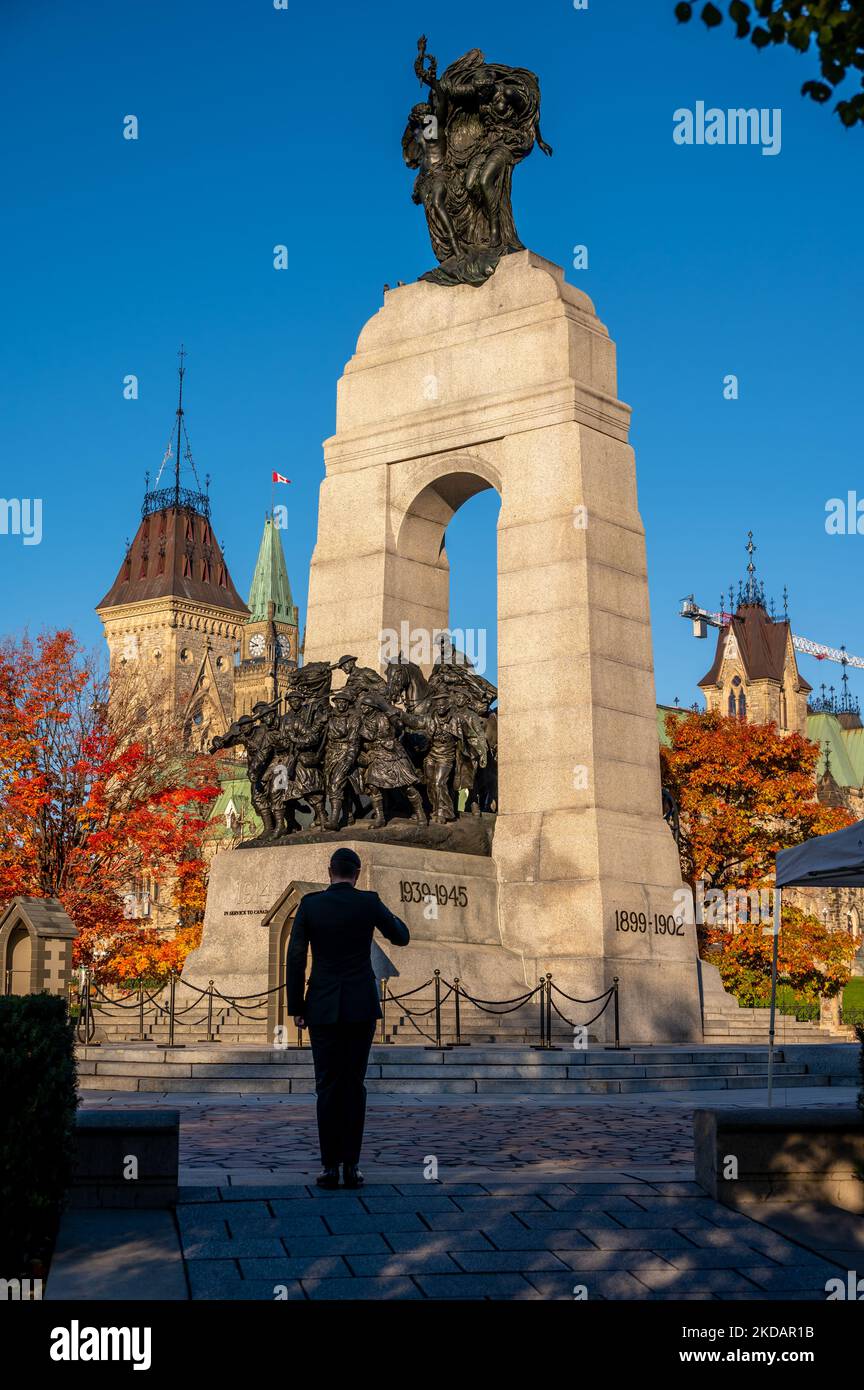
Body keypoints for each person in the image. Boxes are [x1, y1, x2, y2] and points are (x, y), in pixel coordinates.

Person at [286, 847, 410, 1189]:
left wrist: (296, 1007)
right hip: (359, 1005)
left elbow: (295, 957)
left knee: (326, 1083)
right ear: (357, 873)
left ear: (330, 871)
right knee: (354, 1084)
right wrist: (384, 913)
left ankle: (329, 1166)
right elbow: (401, 936)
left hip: (322, 1006)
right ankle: (352, 1166)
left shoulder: (310, 904)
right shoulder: (368, 902)